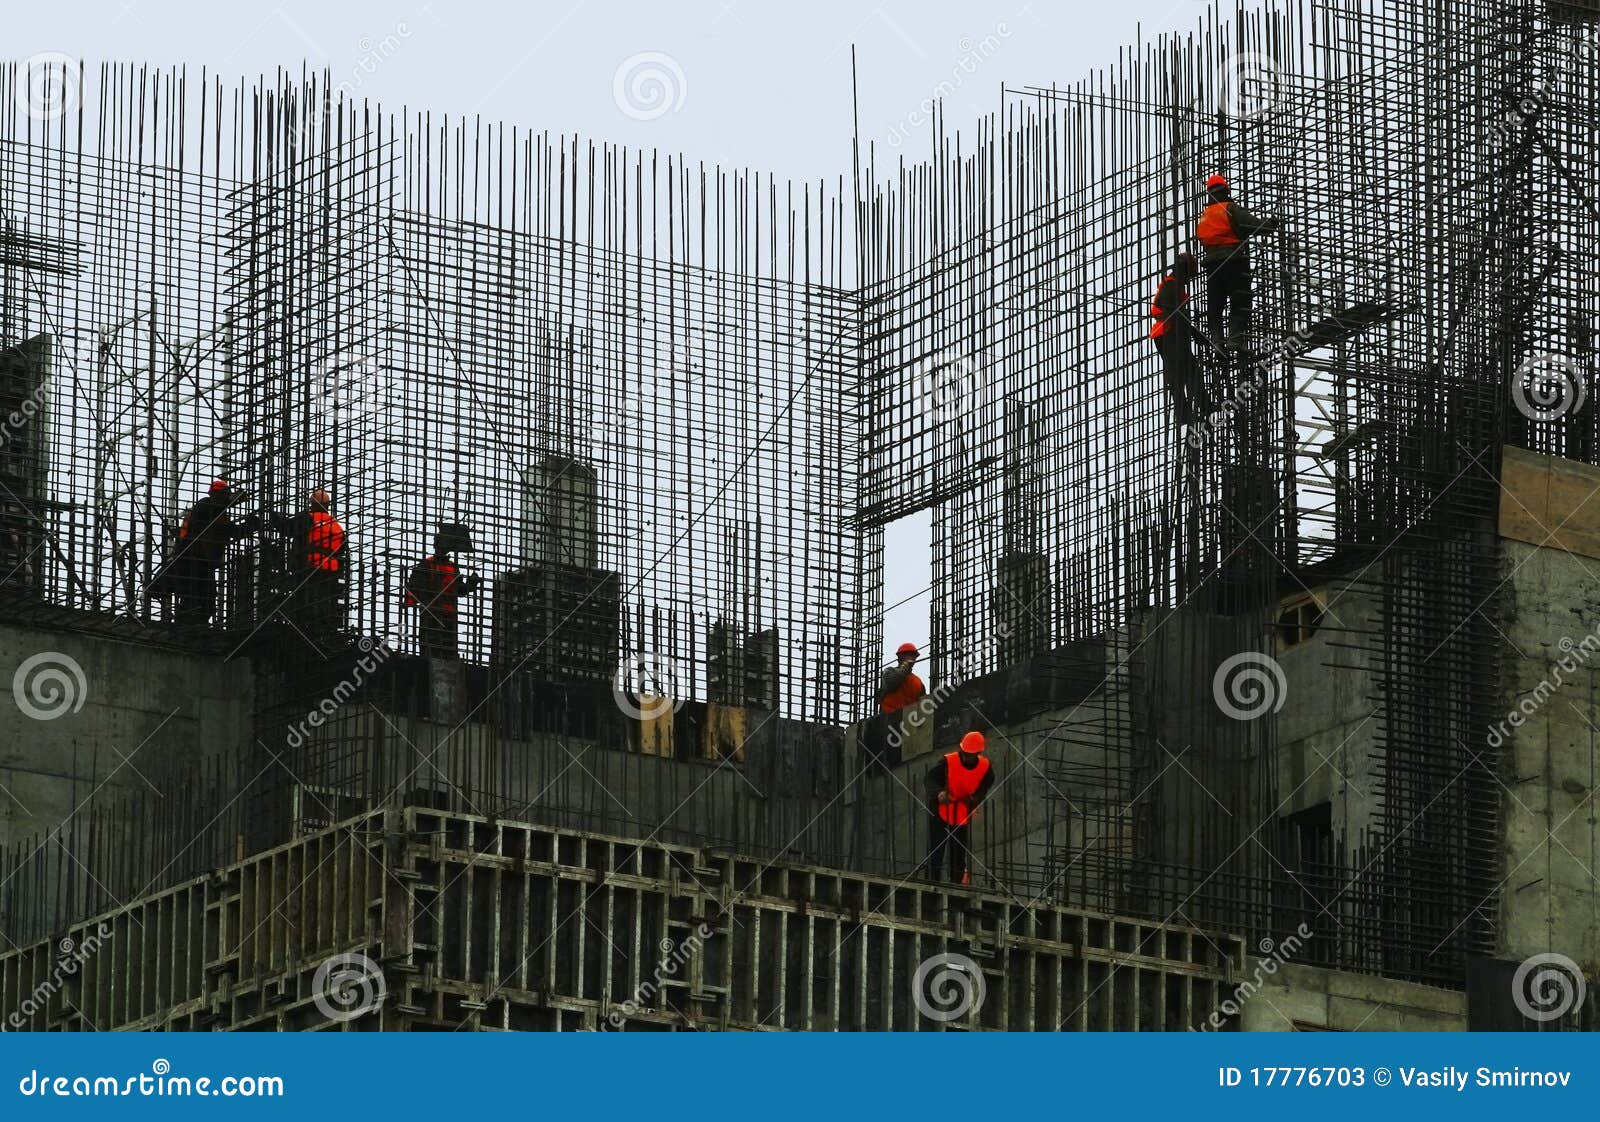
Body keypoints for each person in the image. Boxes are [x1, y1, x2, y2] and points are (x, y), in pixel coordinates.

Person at [1196, 174, 1281, 352]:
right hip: (1233, 261)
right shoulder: (1229, 209)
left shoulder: (1204, 216)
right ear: (1226, 190)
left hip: (1212, 266)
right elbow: (1254, 225)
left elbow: (1204, 240)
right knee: (1241, 301)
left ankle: (1217, 342)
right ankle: (1235, 340)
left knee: (1216, 306)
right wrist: (1271, 224)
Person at [163, 479, 259, 625]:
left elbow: (234, 532)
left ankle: (193, 625)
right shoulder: (204, 505)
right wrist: (233, 500)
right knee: (193, 598)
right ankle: (186, 626)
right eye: (224, 495)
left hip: (203, 564)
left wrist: (251, 524)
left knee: (206, 600)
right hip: (189, 561)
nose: (226, 498)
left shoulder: (219, 516)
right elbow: (213, 508)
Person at [1150, 250, 1214, 427]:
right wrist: (1195, 334)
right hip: (1168, 333)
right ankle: (1193, 411)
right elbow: (1176, 315)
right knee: (1185, 372)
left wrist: (1193, 333)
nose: (1189, 280)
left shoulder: (1173, 285)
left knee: (1187, 371)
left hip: (1167, 333)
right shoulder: (1171, 286)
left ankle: (1194, 411)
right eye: (1190, 276)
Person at [926, 730, 995, 885]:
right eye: (964, 753)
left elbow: (987, 783)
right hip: (941, 808)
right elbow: (931, 778)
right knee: (937, 846)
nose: (965, 756)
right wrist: (939, 793)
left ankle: (956, 882)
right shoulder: (948, 761)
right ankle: (933, 881)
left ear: (977, 753)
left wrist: (976, 798)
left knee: (958, 849)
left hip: (961, 811)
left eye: (969, 754)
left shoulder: (985, 766)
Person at [405, 525, 480, 660]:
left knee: (448, 648)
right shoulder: (427, 564)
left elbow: (459, 589)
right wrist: (429, 602)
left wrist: (471, 584)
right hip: (432, 615)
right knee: (431, 646)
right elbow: (416, 588)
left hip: (449, 615)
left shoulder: (451, 566)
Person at [290, 487, 346, 635]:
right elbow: (343, 552)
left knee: (308, 600)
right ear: (327, 506)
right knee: (326, 601)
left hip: (311, 566)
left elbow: (287, 528)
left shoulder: (307, 518)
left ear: (311, 504)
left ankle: (307, 628)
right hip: (331, 570)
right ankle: (326, 629)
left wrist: (272, 518)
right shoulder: (337, 527)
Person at [878, 642, 926, 714]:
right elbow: (891, 683)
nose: (912, 658)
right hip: (888, 718)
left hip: (908, 720)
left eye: (913, 656)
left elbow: (922, 704)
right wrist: (905, 667)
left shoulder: (918, 682)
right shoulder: (889, 671)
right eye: (909, 655)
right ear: (900, 657)